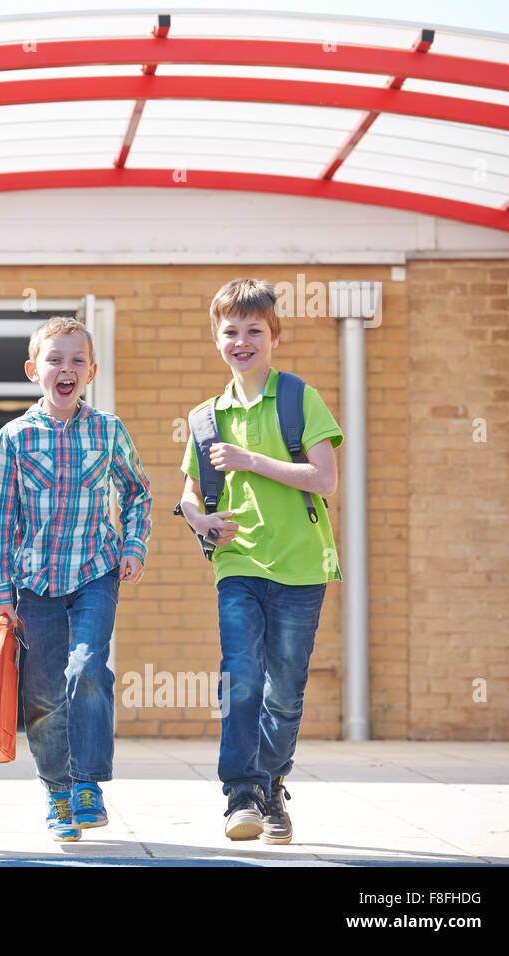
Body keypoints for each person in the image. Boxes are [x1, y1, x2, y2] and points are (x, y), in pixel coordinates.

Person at [176, 278, 342, 844]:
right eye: (231, 332)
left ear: (274, 336)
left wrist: (251, 459)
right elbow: (190, 494)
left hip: (301, 566)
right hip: (238, 563)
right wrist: (199, 519)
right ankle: (241, 793)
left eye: (254, 330)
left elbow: (325, 479)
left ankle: (272, 785)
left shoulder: (299, 398)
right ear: (216, 338)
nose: (242, 340)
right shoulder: (205, 417)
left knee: (285, 688)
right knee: (241, 676)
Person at [0, 315, 151, 841]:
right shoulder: (12, 439)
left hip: (96, 573)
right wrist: (2, 595)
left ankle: (88, 786)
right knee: (44, 693)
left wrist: (133, 544)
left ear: (92, 371)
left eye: (77, 360)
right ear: (35, 370)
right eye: (55, 359)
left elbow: (138, 491)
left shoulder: (109, 430)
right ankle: (56, 792)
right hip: (35, 587)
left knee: (87, 669)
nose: (66, 368)